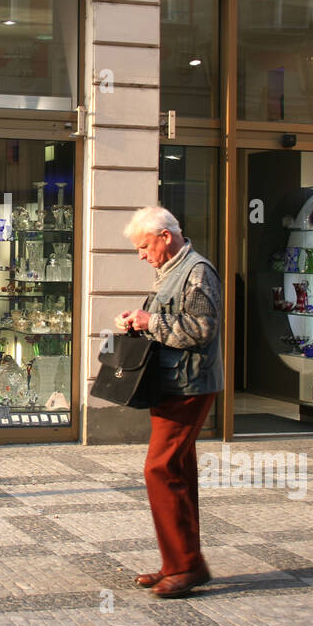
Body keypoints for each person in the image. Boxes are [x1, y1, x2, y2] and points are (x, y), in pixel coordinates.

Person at [115, 206, 223, 599]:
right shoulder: (172, 271)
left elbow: (201, 329)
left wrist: (150, 323)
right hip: (174, 383)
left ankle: (184, 565)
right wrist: (137, 320)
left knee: (159, 469)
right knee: (176, 470)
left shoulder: (197, 271)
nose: (141, 255)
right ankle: (181, 561)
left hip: (189, 385)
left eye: (144, 247)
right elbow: (170, 321)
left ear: (165, 236)